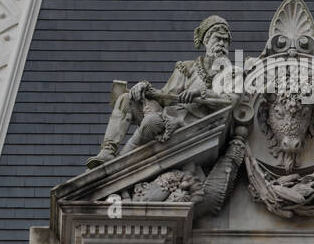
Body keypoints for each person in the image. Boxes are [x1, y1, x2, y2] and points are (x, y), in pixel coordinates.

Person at [87, 14, 236, 167]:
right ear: (206, 41)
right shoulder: (188, 67)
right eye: (217, 39)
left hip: (192, 126)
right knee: (127, 99)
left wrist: (200, 93)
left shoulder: (231, 73)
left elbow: (232, 102)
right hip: (172, 115)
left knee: (151, 122)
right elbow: (166, 96)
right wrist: (145, 88)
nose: (222, 44)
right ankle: (107, 151)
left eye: (226, 41)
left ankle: (119, 164)